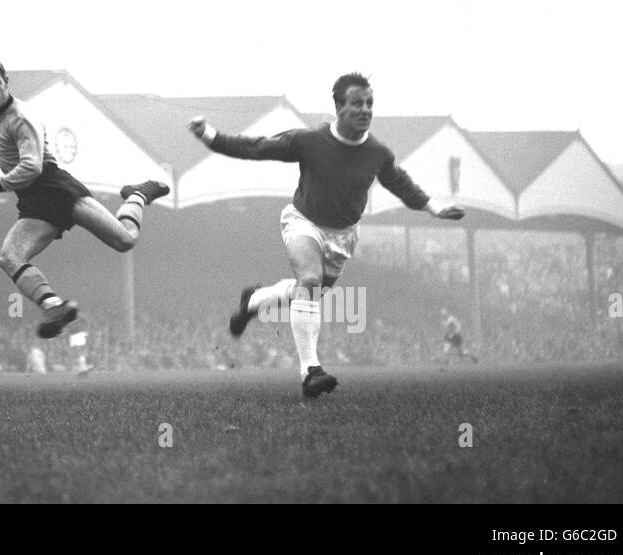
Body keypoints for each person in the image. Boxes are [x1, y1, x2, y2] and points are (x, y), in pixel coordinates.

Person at [189, 72, 465, 398]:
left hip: (343, 236)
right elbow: (256, 148)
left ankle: (255, 301)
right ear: (338, 106)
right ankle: (311, 371)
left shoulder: (378, 153)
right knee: (309, 281)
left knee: (306, 292)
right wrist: (209, 135)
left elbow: (400, 182)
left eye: (369, 103)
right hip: (303, 222)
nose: (365, 110)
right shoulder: (309, 142)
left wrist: (433, 207)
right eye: (357, 103)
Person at [0, 16, 169, 338]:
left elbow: (32, 167)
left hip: (55, 188)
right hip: (33, 201)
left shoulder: (20, 118)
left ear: (7, 82)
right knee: (9, 257)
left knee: (124, 240)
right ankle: (54, 306)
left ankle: (138, 194)